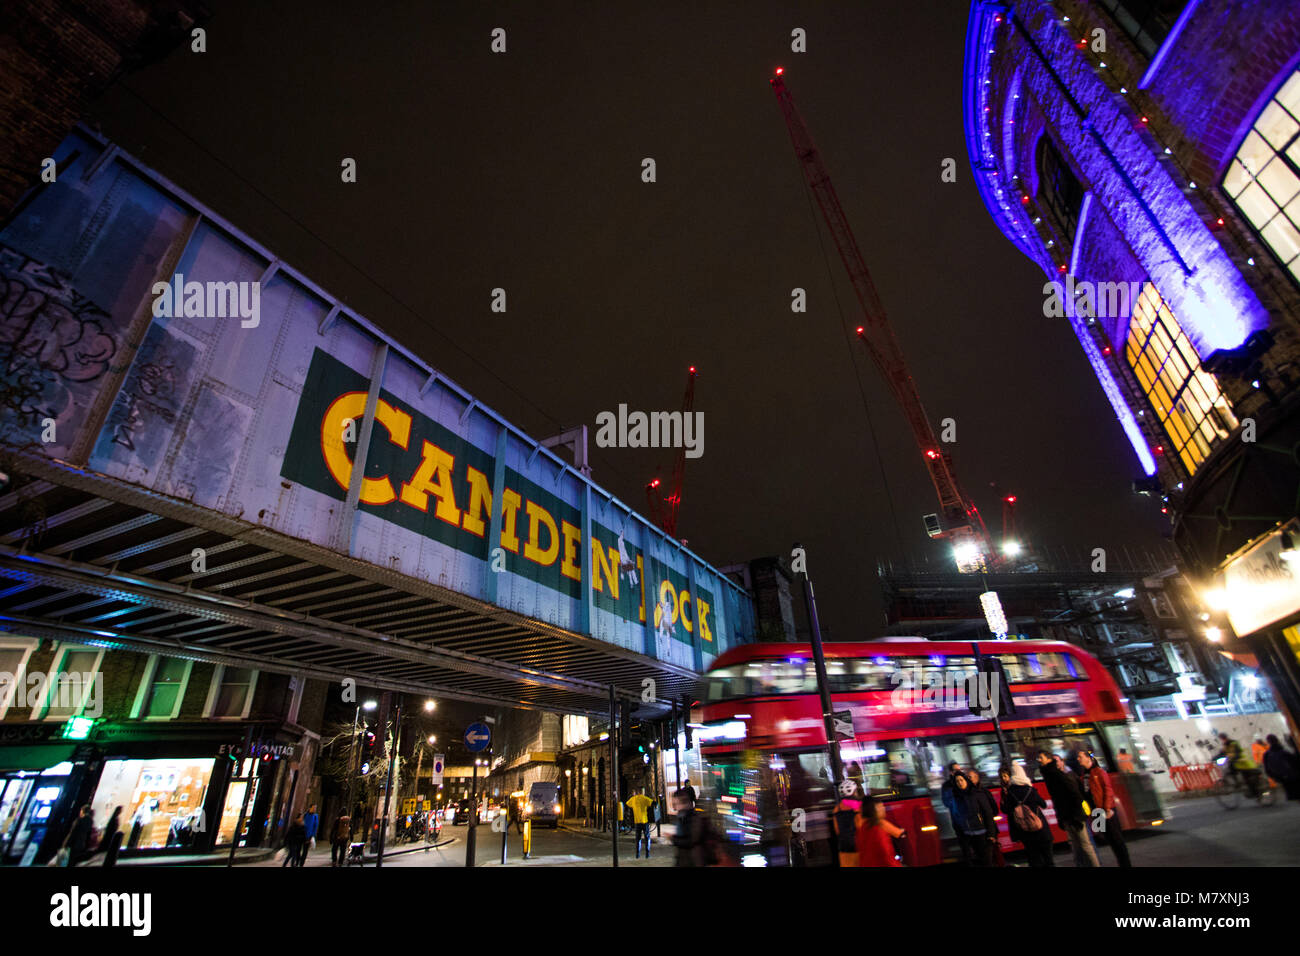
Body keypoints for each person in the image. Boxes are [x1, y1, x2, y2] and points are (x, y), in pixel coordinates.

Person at [1036, 750, 1099, 866]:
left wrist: (1077, 815)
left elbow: (1076, 794)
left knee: (1086, 845)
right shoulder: (1051, 774)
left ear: (1049, 760)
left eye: (1041, 757)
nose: (1038, 760)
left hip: (1075, 816)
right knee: (1076, 846)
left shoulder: (1059, 774)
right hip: (1068, 816)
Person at [1077, 750, 1130, 867]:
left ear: (1088, 758)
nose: (1078, 759)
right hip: (1096, 812)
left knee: (1117, 841)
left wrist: (1107, 809)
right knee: (1107, 838)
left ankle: (1125, 864)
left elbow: (1108, 790)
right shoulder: (1083, 776)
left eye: (1080, 756)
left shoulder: (1099, 772)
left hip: (1105, 810)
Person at [999, 765, 1053, 867]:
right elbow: (1043, 804)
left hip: (1025, 832)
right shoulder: (1030, 789)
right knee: (1048, 859)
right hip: (1040, 829)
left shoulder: (1010, 793)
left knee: (1034, 859)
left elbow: (1005, 809)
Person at [949, 772, 996, 866]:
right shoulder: (956, 798)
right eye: (957, 781)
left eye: (961, 780)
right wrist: (960, 834)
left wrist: (991, 834)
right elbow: (955, 817)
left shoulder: (976, 793)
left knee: (987, 862)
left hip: (982, 833)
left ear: (966, 780)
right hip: (968, 835)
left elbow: (988, 813)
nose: (960, 783)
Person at [672, 788, 722, 867]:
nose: (674, 808)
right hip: (687, 860)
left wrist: (672, 838)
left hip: (694, 860)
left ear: (684, 803)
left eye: (676, 804)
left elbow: (690, 841)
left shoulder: (693, 818)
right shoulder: (682, 817)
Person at [968, 770, 1005, 866]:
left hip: (988, 829)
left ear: (977, 778)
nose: (968, 780)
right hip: (979, 830)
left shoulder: (983, 792)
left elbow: (993, 810)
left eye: (970, 777)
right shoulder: (970, 794)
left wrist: (991, 832)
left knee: (992, 855)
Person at [855, 794, 904, 867]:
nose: (884, 809)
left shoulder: (862, 828)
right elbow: (887, 854)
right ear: (876, 809)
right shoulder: (879, 827)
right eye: (881, 806)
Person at [939, 762, 972, 865]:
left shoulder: (966, 781)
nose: (959, 772)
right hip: (958, 819)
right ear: (951, 772)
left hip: (971, 818)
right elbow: (946, 802)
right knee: (964, 843)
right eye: (956, 770)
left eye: (960, 769)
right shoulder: (947, 785)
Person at [1216, 733, 1264, 798]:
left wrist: (1234, 757)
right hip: (1235, 762)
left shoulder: (1234, 743)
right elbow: (1222, 752)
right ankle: (1238, 783)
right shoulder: (1225, 745)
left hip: (1242, 762)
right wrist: (1214, 758)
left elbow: (1238, 751)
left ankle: (1255, 793)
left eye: (1222, 738)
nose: (1222, 740)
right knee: (1231, 770)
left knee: (1246, 778)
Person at [832, 784, 862, 867]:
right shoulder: (859, 805)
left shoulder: (837, 808)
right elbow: (861, 825)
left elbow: (837, 830)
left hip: (844, 845)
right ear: (854, 791)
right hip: (858, 843)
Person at [1262, 734, 1300, 800]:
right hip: (1294, 777)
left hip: (1282, 778)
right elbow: (1295, 762)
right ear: (1277, 740)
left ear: (1268, 742)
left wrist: (1276, 778)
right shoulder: (1285, 751)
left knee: (1294, 797)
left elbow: (1267, 770)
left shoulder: (1266, 754)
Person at [627, 787, 655, 859]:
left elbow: (628, 803)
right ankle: (647, 854)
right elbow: (653, 803)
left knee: (638, 838)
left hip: (637, 822)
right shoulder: (644, 798)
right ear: (642, 792)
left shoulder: (633, 799)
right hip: (644, 821)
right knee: (647, 838)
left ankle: (637, 854)